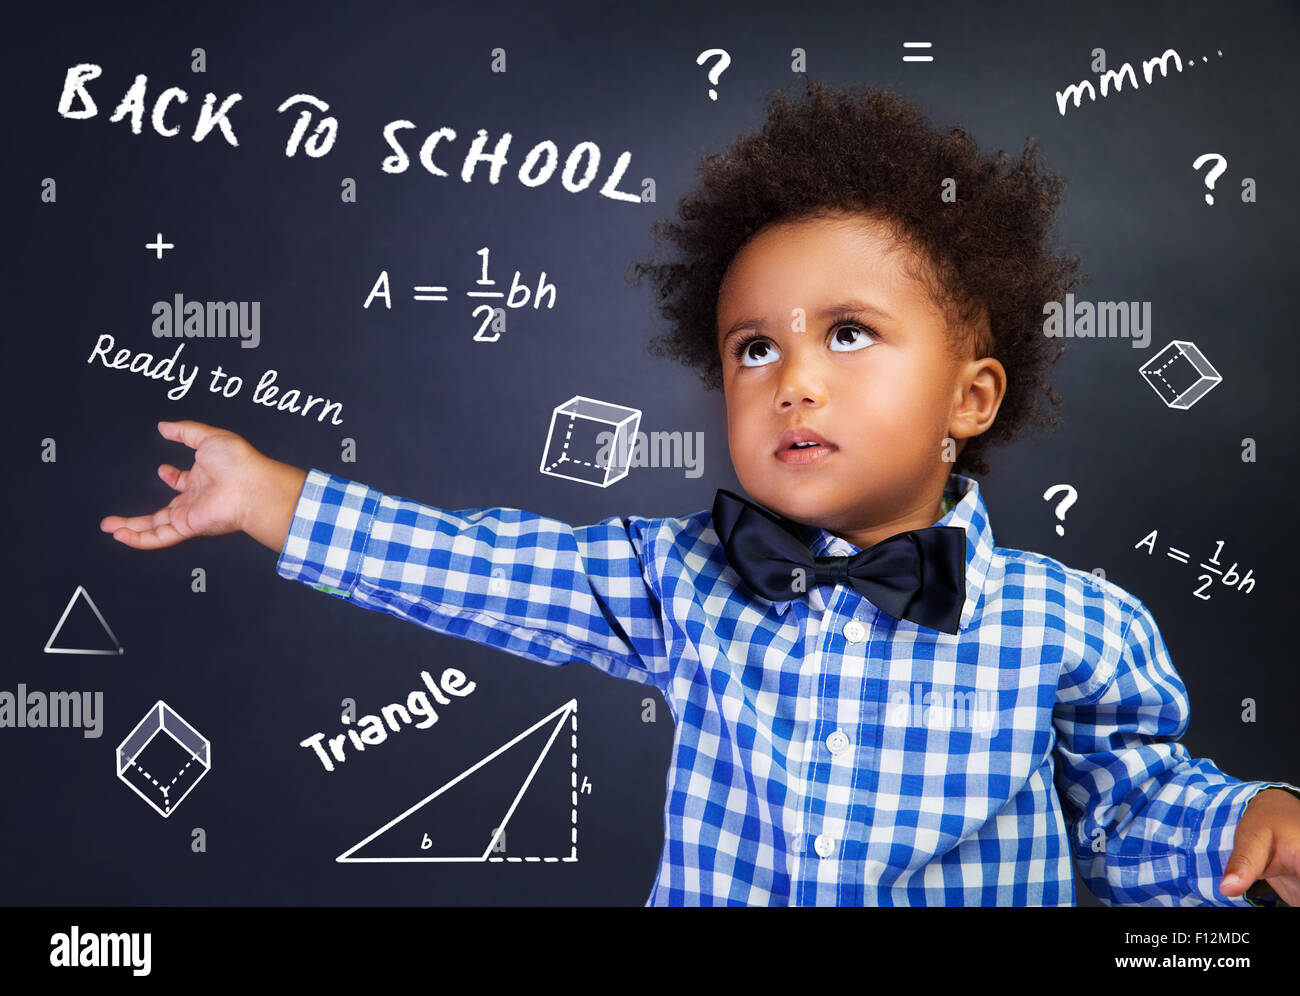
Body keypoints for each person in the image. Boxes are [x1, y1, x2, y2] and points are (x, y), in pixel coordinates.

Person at [101, 80, 1300, 907]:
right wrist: (273, 498)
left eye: (846, 333)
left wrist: (1243, 824)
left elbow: (1133, 810)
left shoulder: (1073, 623)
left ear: (970, 399)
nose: (792, 384)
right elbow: (488, 570)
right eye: (753, 349)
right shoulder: (678, 579)